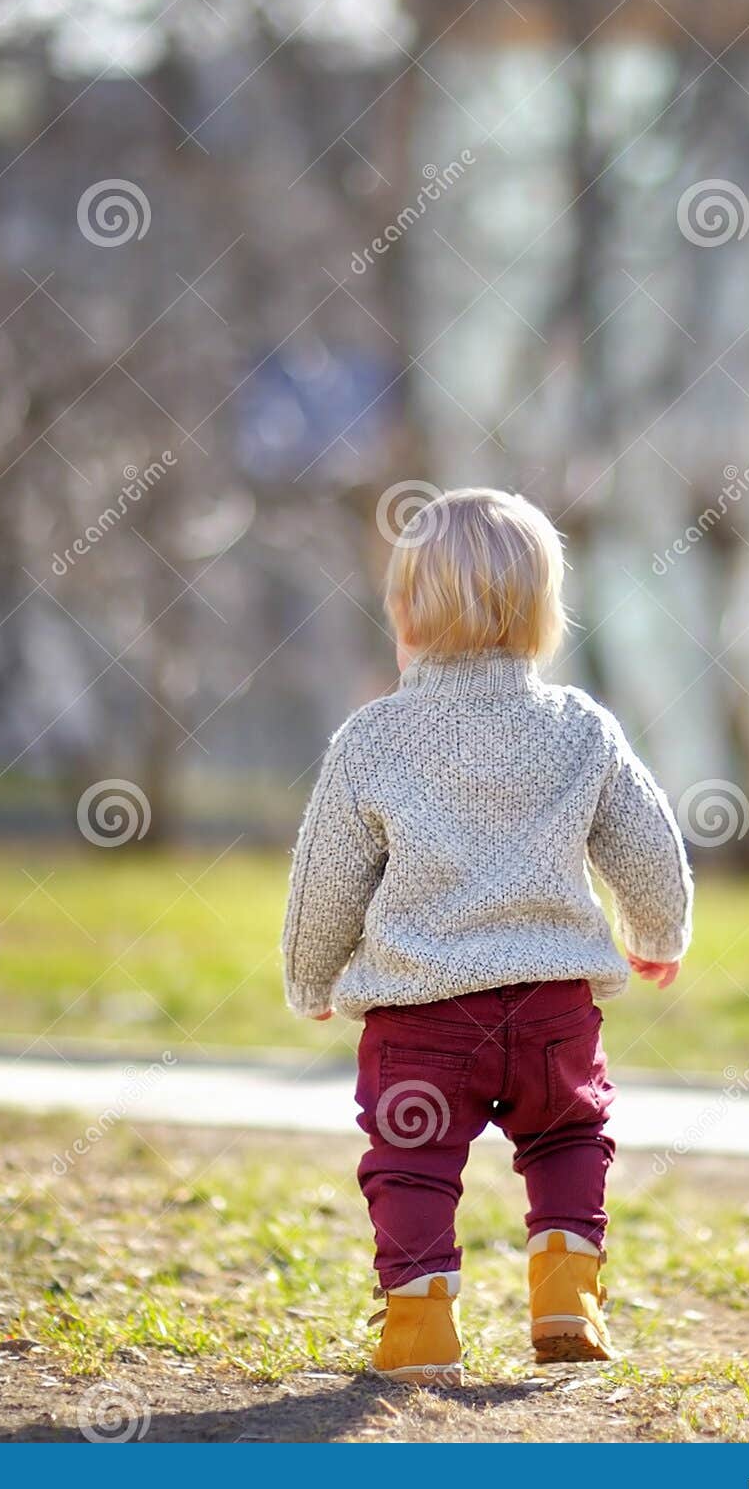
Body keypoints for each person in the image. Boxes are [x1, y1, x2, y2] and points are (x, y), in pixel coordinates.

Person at [281, 487, 692, 1384]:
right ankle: (564, 1294)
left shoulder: (372, 739)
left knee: (413, 1159)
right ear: (545, 618)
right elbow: (649, 846)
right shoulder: (579, 728)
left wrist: (311, 981)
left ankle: (422, 1327)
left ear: (403, 615)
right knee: (569, 1137)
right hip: (553, 1011)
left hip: (420, 1018)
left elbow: (326, 884)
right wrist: (658, 931)